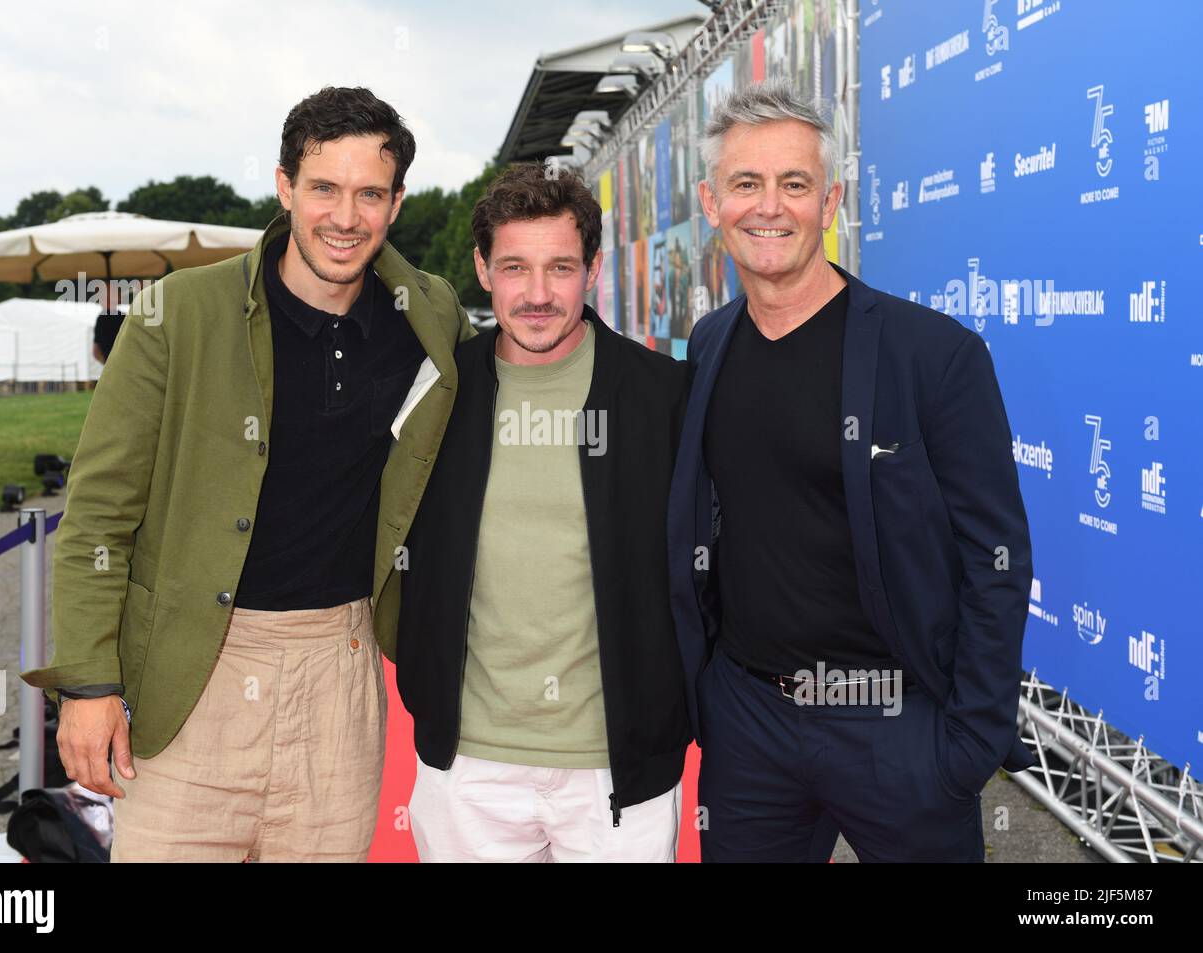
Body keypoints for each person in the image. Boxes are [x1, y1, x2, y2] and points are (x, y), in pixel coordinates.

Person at [21, 86, 474, 862]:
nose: (345, 215)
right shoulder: (178, 314)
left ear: (397, 203)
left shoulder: (430, 318)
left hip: (342, 671)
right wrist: (90, 685)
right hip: (191, 675)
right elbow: (97, 516)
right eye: (324, 187)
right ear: (284, 186)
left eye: (370, 193)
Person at [668, 78, 1036, 862]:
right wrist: (711, 698)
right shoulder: (708, 344)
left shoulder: (933, 355)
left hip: (896, 730)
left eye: (794, 184)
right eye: (746, 184)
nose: (769, 206)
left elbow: (996, 558)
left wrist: (968, 743)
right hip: (750, 726)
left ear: (829, 201)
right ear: (711, 202)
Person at [395, 164, 690, 862]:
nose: (535, 294)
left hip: (619, 765)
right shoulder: (438, 394)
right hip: (468, 764)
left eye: (559, 267)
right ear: (481, 268)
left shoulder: (663, 396)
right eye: (514, 267)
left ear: (592, 268)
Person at [91, 283, 125, 364]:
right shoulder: (124, 317)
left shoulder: (102, 318)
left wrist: (108, 364)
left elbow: (96, 352)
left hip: (113, 366)